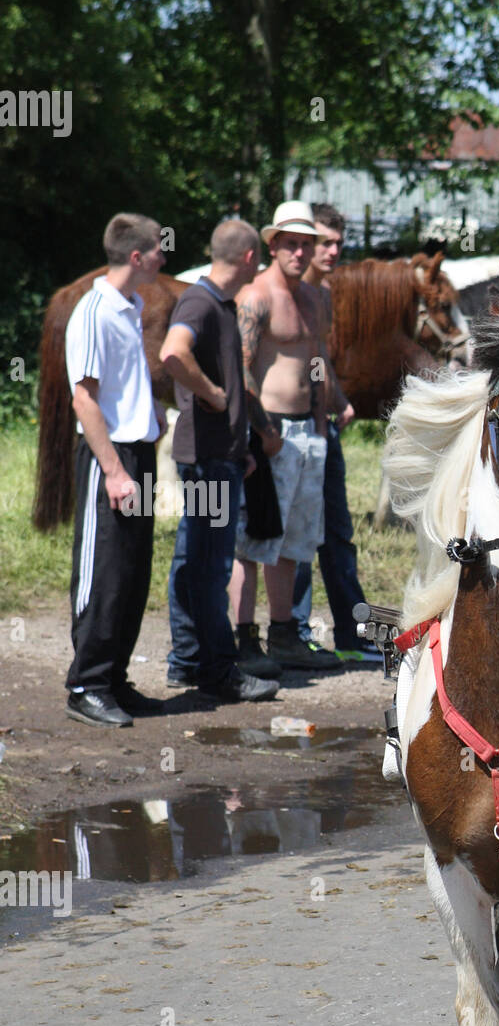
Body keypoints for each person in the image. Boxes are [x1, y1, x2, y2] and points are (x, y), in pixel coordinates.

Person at [159, 218, 279, 702]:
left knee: (193, 561)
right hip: (207, 461)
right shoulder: (200, 302)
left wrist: (243, 446)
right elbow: (173, 354)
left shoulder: (221, 305)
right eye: (262, 256)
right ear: (249, 257)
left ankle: (187, 661)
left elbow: (232, 380)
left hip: (219, 456)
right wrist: (209, 393)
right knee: (209, 568)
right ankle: (219, 671)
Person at [64, 212, 168, 728]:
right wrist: (112, 471)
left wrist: (152, 417)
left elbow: (126, 382)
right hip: (110, 458)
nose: (163, 258)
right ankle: (86, 683)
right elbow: (84, 398)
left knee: (132, 570)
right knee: (102, 570)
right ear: (135, 256)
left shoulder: (133, 305)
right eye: (157, 250)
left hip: (138, 452)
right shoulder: (94, 309)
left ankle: (115, 679)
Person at [229, 200, 341, 673]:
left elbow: (318, 361)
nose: (300, 252)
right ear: (273, 246)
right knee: (254, 540)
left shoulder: (318, 299)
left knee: (296, 541)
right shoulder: (256, 296)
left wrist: (323, 416)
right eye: (291, 244)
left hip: (308, 433)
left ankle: (283, 635)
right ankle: (243, 640)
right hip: (270, 431)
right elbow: (242, 366)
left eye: (306, 244)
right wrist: (262, 430)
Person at [288, 202, 380, 663]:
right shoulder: (286, 292)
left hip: (324, 429)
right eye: (324, 241)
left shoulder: (323, 295)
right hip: (293, 429)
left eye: (338, 243)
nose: (332, 250)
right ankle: (297, 630)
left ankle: (351, 631)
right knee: (300, 533)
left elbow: (319, 356)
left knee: (338, 531)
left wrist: (339, 399)